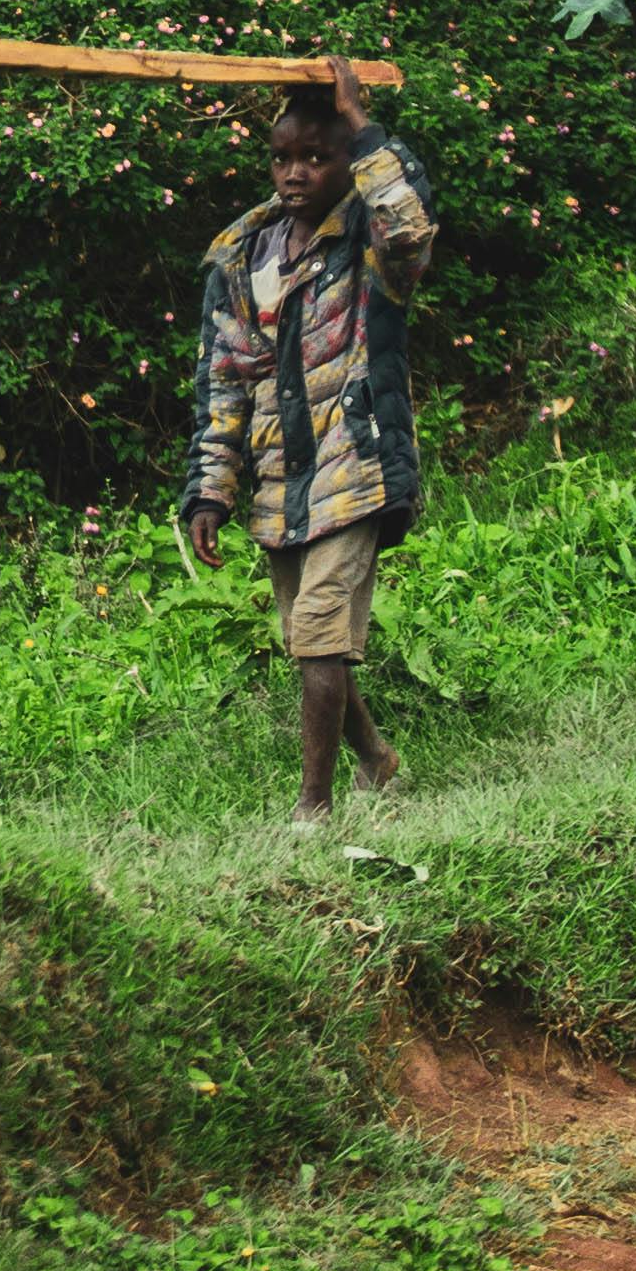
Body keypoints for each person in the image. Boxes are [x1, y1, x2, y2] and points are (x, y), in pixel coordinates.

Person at [180, 55, 435, 826]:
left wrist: (362, 127)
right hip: (280, 475)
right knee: (307, 639)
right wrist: (212, 489)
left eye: (317, 157)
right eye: (283, 157)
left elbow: (411, 224)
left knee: (321, 634)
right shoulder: (241, 254)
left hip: (354, 463)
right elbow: (224, 382)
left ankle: (312, 808)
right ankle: (377, 759)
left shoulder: (368, 241)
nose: (295, 173)